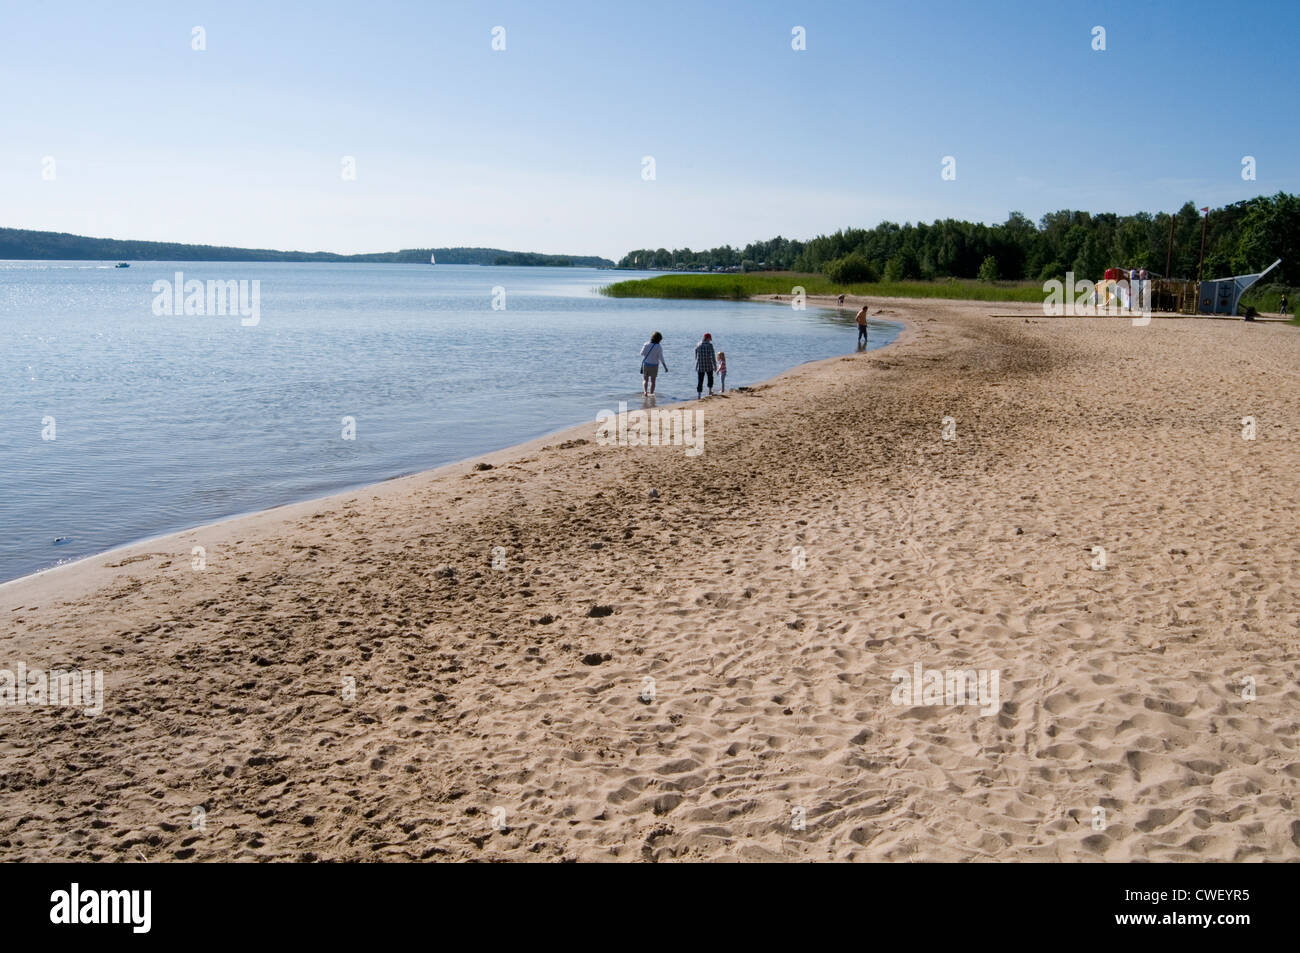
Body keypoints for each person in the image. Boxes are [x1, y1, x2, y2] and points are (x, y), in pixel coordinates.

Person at [640, 331, 668, 396]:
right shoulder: (659, 347)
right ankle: (651, 393)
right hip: (654, 365)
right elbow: (661, 358)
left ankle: (645, 392)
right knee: (653, 381)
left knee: (645, 380)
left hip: (646, 364)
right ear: (659, 339)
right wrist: (665, 367)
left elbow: (641, 353)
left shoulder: (646, 344)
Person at [694, 332, 717, 397]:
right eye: (710, 339)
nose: (710, 340)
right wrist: (715, 366)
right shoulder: (710, 345)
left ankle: (699, 395)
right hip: (709, 365)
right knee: (710, 378)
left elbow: (696, 355)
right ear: (707, 338)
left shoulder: (698, 344)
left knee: (700, 380)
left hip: (700, 365)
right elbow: (713, 356)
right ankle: (709, 391)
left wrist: (697, 363)